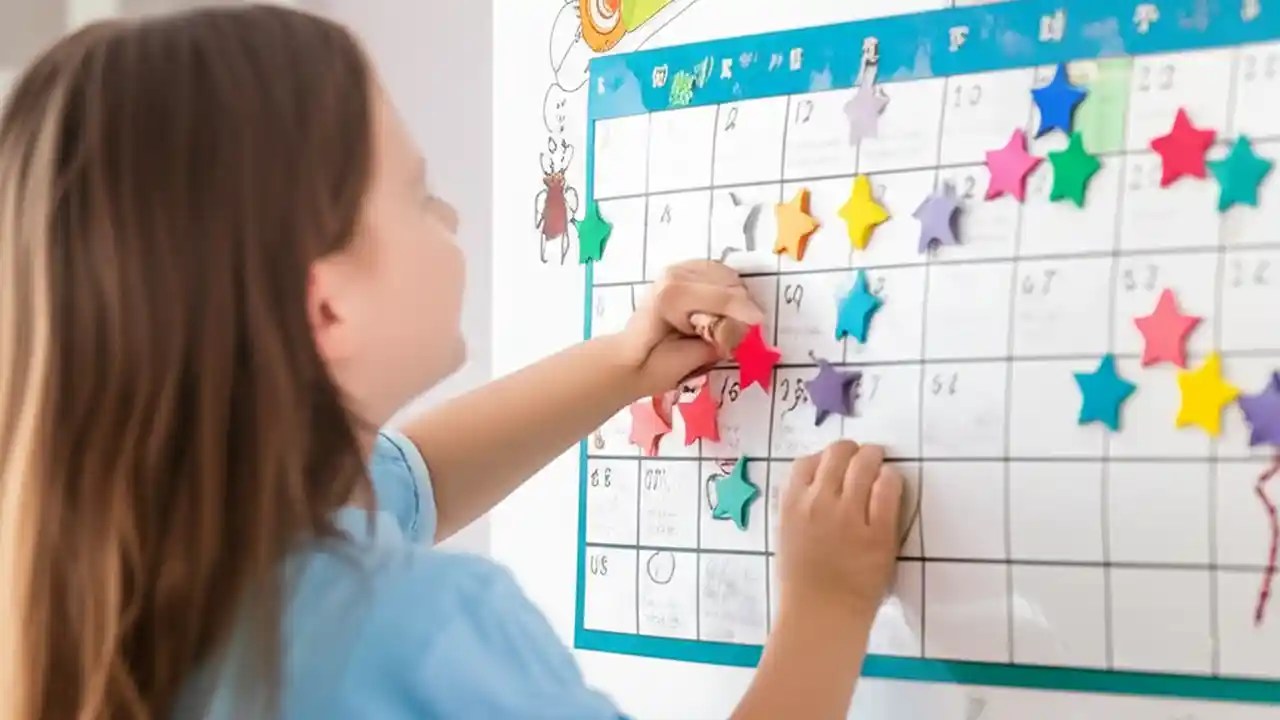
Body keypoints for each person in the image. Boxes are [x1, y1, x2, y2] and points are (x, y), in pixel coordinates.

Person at [0, 6, 904, 720]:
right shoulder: (423, 631)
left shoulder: (144, 576)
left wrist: (624, 364)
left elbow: (413, 478)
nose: (451, 217)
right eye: (418, 193)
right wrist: (826, 607)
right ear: (326, 306)